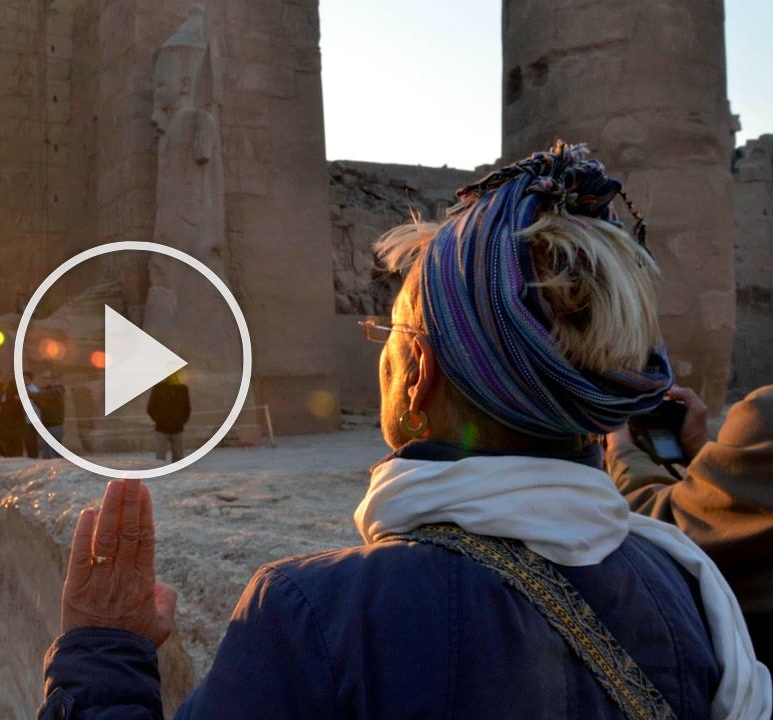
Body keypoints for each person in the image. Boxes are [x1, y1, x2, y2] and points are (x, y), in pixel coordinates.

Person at [37, 144, 771, 718]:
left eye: (389, 332)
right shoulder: (689, 592)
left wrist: (102, 650)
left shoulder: (317, 616)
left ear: (418, 373)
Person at [607, 384, 773, 668]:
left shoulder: (764, 415)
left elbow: (663, 526)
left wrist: (622, 452)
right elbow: (745, 507)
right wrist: (711, 458)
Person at [146, 372, 190, 463]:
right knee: (160, 460)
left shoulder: (183, 389)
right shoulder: (158, 388)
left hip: (178, 429)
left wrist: (181, 421)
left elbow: (187, 408)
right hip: (161, 429)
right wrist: (159, 420)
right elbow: (150, 408)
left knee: (178, 459)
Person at [36, 371, 66, 459]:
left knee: (54, 457)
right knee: (47, 457)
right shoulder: (46, 391)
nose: (44, 380)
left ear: (53, 379)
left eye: (47, 378)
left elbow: (43, 395)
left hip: (55, 426)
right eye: (43, 378)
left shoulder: (56, 390)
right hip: (47, 426)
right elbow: (41, 404)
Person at [23, 371, 41, 459]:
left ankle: (34, 458)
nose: (24, 381)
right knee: (28, 441)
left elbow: (35, 405)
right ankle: (31, 457)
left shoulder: (33, 390)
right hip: (28, 419)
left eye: (26, 379)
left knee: (32, 441)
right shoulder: (26, 389)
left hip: (33, 419)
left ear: (30, 379)